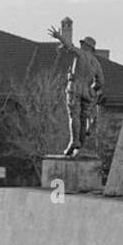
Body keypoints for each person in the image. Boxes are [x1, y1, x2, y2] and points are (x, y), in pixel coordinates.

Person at [47, 25, 105, 156]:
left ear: (87, 46)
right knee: (83, 118)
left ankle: (74, 141)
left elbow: (69, 46)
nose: (82, 45)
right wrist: (93, 89)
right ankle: (80, 145)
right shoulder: (96, 63)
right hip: (87, 91)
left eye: (83, 44)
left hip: (75, 87)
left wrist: (59, 36)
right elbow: (100, 82)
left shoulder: (80, 53)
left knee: (74, 115)